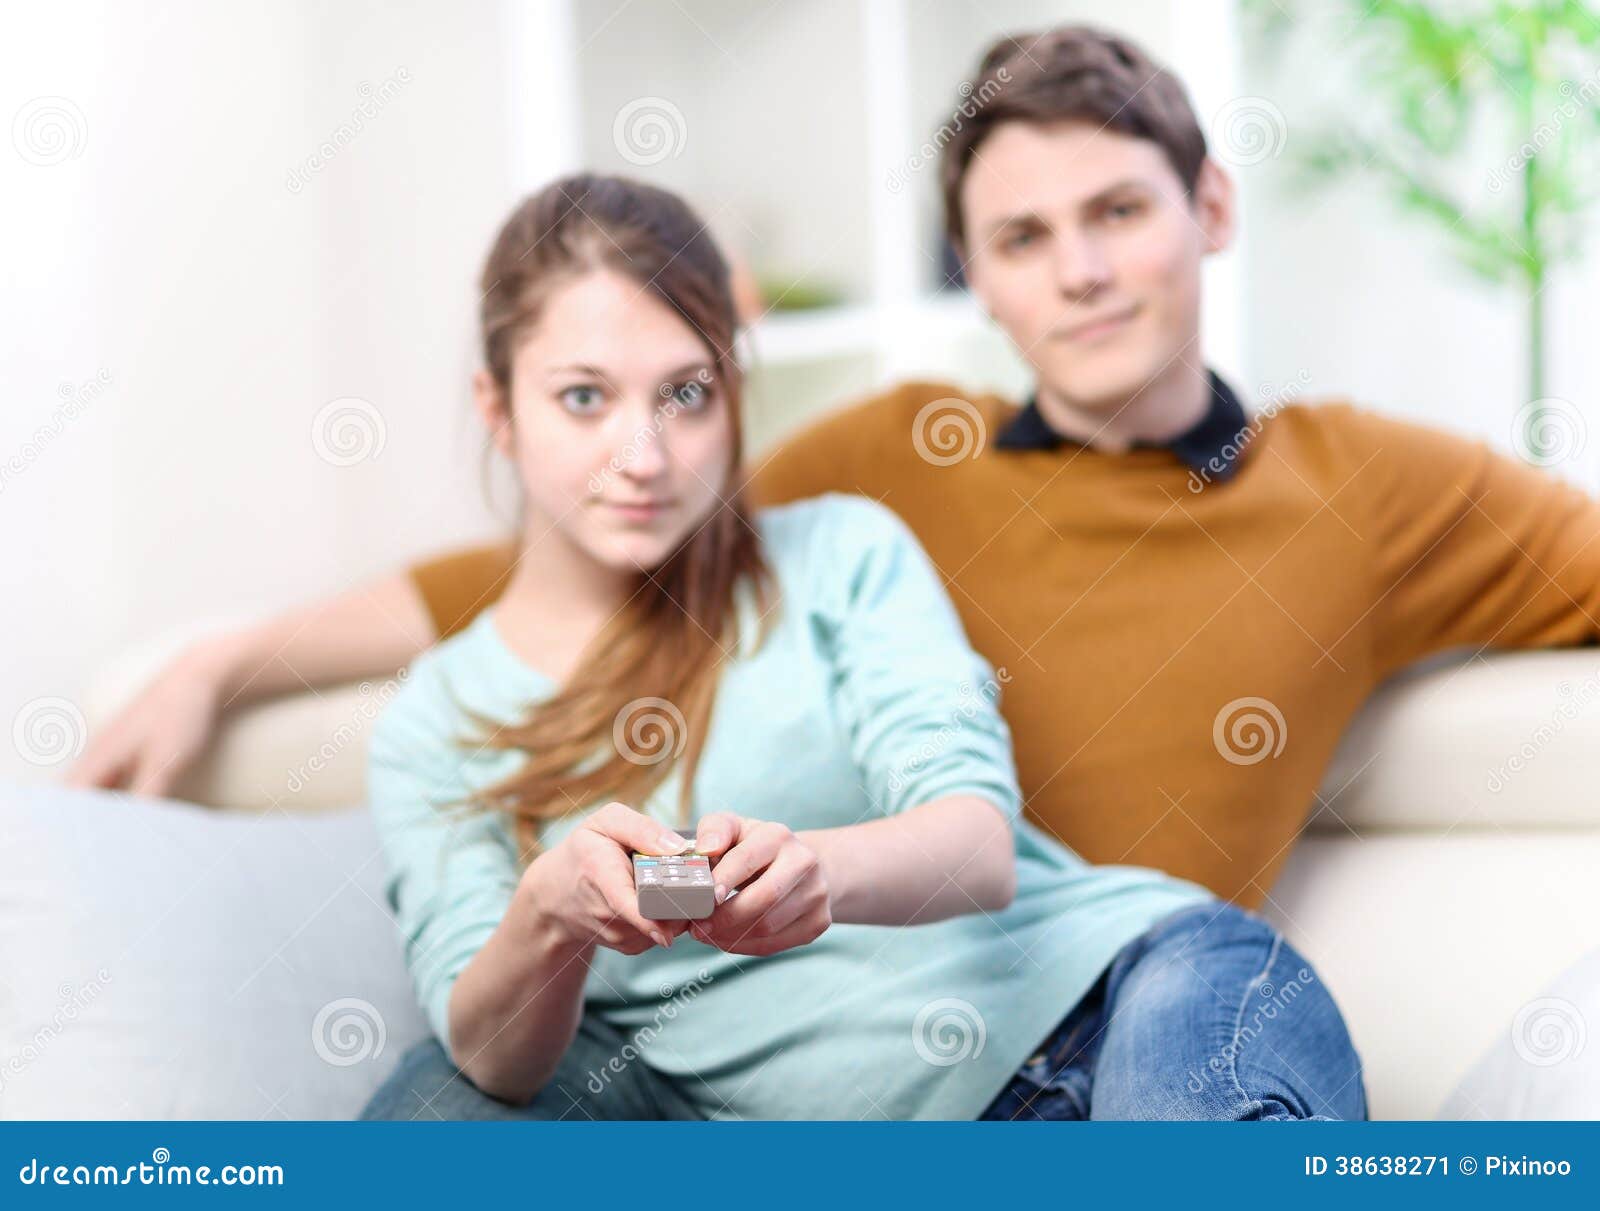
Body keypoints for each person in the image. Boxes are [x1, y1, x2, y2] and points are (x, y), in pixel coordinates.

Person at [73, 26, 1600, 909]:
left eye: (1118, 213)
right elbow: (603, 541)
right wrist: (227, 659)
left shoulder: (1377, 485)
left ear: (1209, 208)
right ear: (981, 281)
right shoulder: (898, 461)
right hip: (902, 1037)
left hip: (1153, 1012)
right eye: (1022, 237)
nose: (1078, 272)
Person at [353, 172, 1363, 1120]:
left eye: (686, 394)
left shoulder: (840, 551)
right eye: (584, 398)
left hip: (1122, 1001)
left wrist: (813, 870)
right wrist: (550, 912)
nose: (644, 457)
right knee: (436, 1106)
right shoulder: (433, 721)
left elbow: (975, 843)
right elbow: (493, 1055)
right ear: (499, 409)